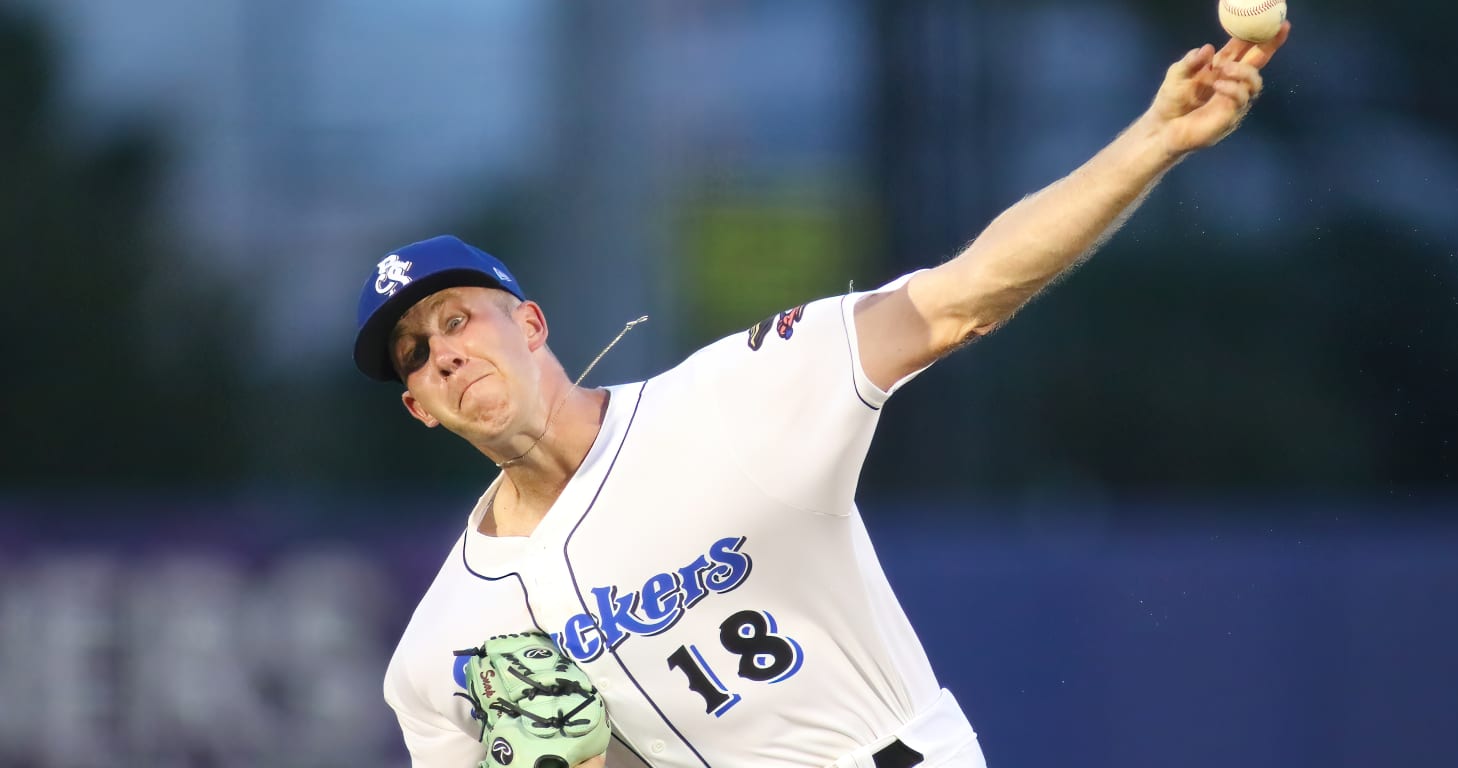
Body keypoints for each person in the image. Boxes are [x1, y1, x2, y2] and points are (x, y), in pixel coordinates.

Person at [355, 26, 1290, 768]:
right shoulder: (442, 651)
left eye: (458, 318)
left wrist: (1154, 141)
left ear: (529, 324)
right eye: (414, 353)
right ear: (417, 408)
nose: (441, 352)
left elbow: (961, 297)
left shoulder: (727, 399)